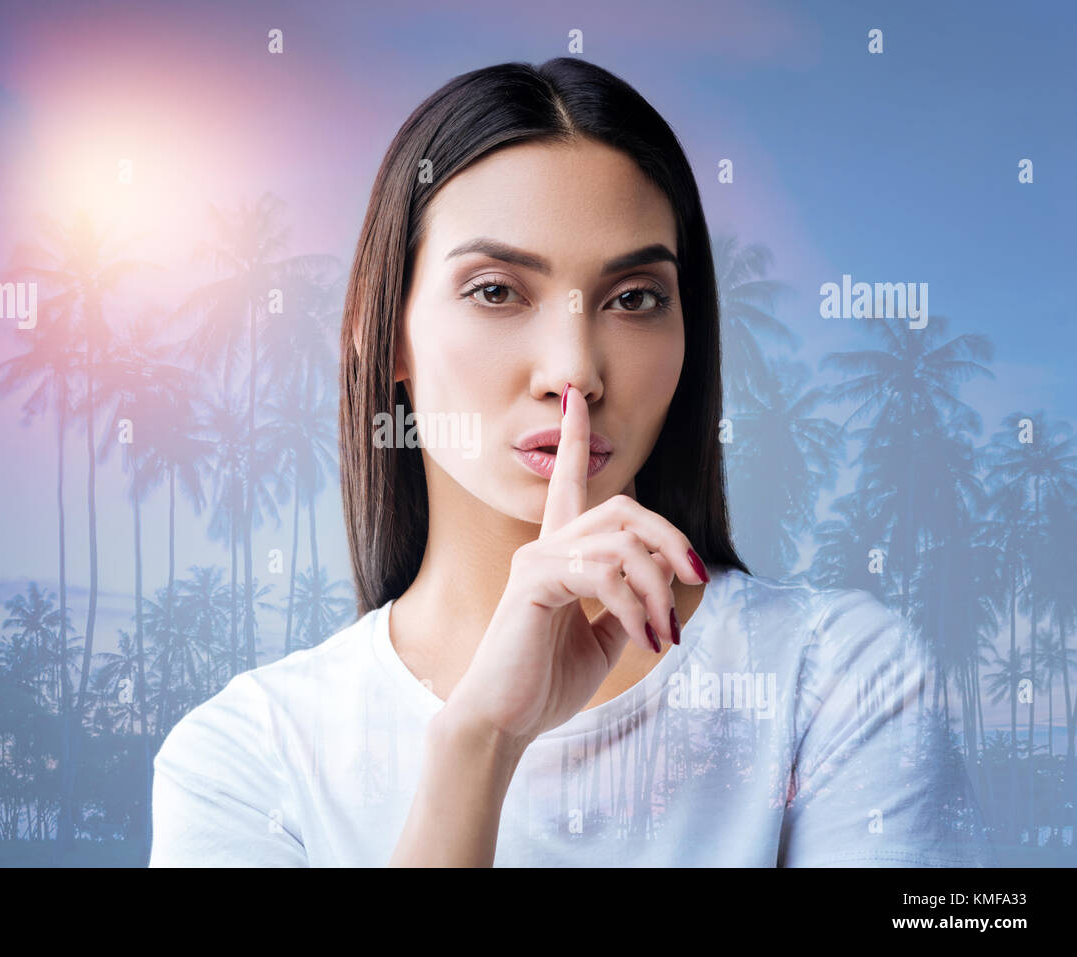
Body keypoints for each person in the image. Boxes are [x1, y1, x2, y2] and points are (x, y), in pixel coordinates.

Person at [150, 57, 996, 867]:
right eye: (495, 290)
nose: (574, 370)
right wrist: (476, 743)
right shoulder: (245, 758)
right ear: (388, 339)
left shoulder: (841, 682)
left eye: (634, 299)